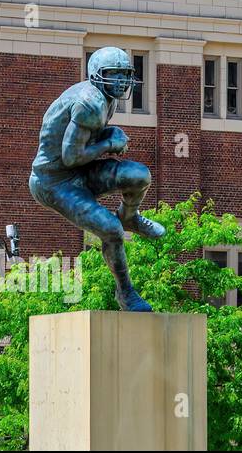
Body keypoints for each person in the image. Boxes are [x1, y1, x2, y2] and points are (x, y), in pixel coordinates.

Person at [29, 46, 165, 311]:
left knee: (139, 175)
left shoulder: (106, 98)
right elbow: (71, 157)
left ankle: (130, 216)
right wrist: (109, 144)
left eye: (124, 74)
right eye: (113, 74)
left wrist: (109, 134)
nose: (121, 81)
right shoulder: (89, 103)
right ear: (97, 74)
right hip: (54, 182)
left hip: (80, 171)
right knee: (111, 231)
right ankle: (125, 293)